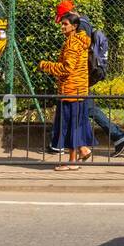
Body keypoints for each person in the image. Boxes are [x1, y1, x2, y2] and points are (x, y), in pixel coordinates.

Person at [50, 0, 124, 157]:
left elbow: (80, 53)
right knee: (81, 107)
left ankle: (112, 137)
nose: (61, 25)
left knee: (84, 107)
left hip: (80, 76)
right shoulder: (83, 23)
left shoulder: (81, 26)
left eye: (62, 21)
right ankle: (64, 144)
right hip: (81, 76)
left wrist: (57, 67)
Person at [38, 12, 94, 169]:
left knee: (68, 126)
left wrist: (45, 65)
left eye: (65, 24)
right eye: (62, 24)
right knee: (74, 125)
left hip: (70, 90)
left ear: (74, 26)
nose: (62, 27)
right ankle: (77, 156)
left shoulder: (71, 43)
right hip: (79, 89)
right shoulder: (80, 40)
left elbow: (67, 68)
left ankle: (74, 159)